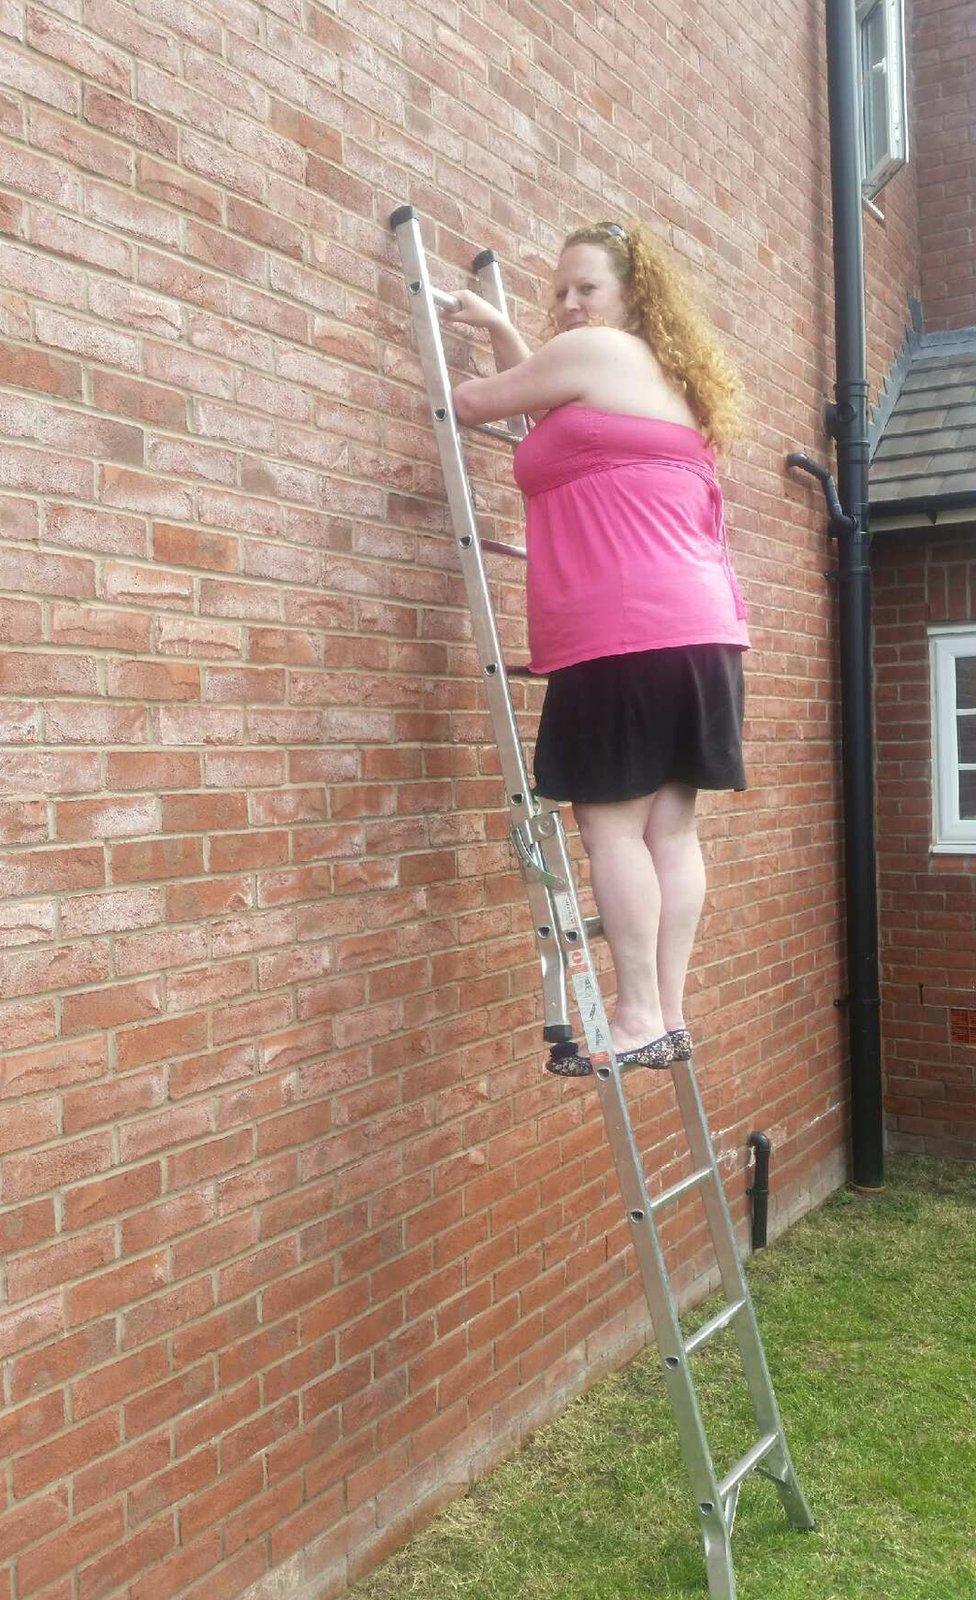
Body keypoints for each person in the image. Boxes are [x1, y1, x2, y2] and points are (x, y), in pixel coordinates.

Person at [441, 220, 749, 1076]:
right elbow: (548, 399)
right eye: (561, 292)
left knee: (609, 827)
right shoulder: (660, 378)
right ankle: (667, 1014)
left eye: (588, 288)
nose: (572, 304)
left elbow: (468, 406)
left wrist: (475, 340)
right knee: (669, 831)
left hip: (621, 631)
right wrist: (507, 333)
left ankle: (636, 1013)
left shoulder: (598, 353)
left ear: (628, 296)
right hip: (704, 632)